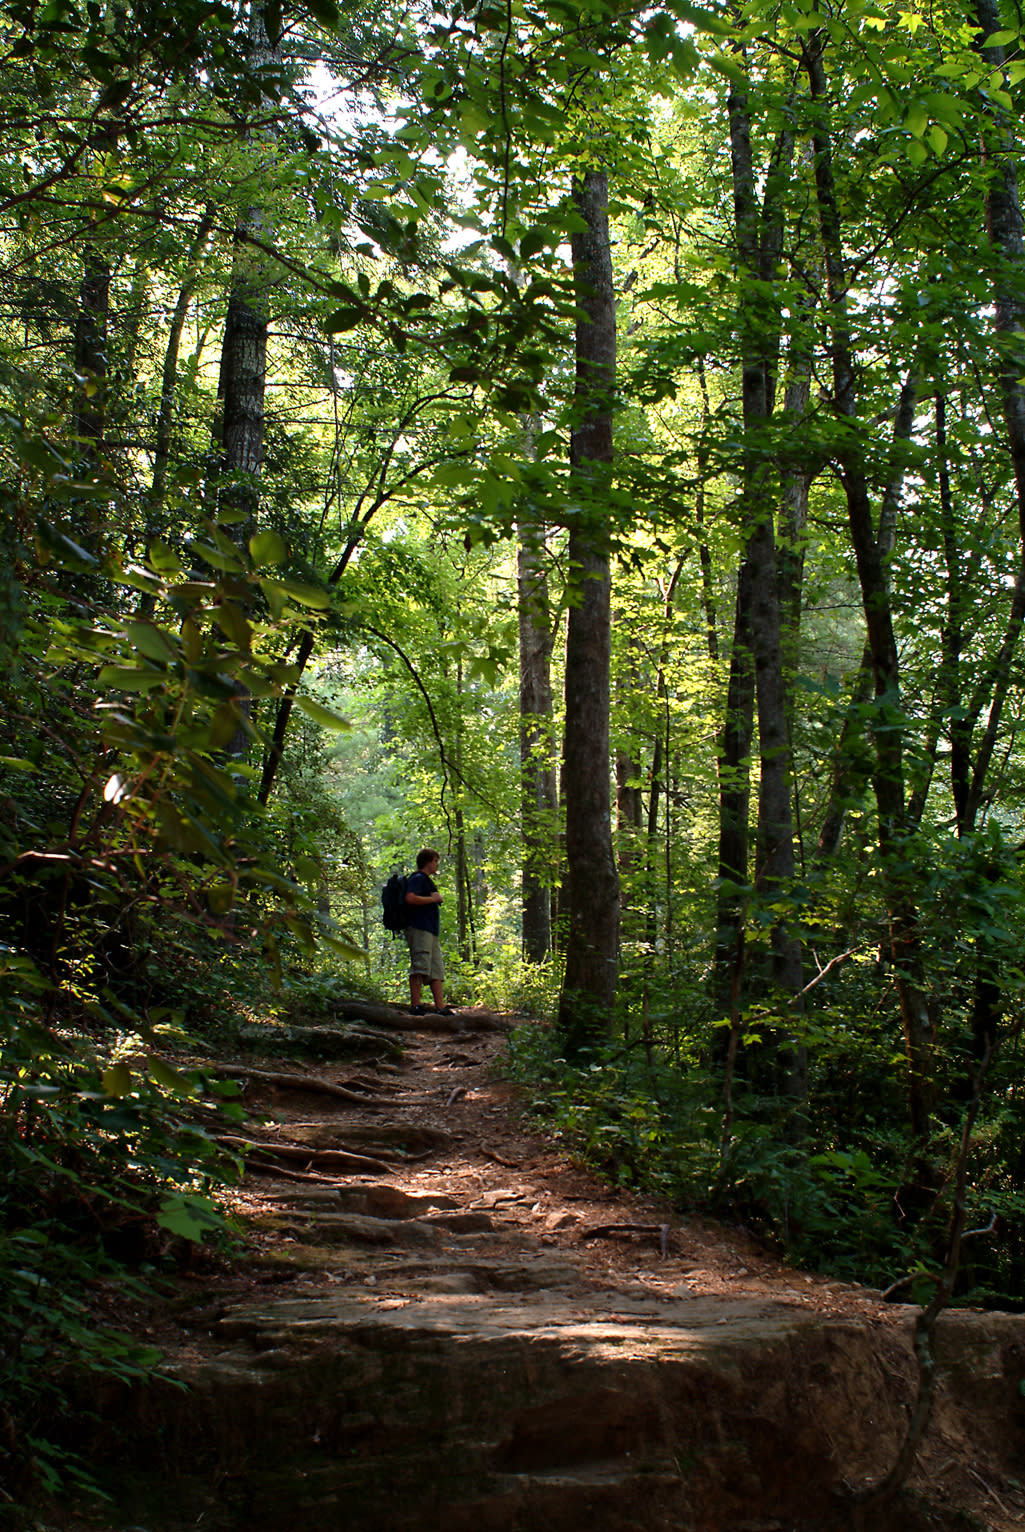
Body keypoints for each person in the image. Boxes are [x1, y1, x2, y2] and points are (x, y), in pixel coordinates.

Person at [404, 847, 455, 1016]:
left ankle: (440, 1007)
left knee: (436, 969)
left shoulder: (426, 880)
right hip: (419, 928)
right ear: (427, 862)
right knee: (420, 965)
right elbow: (410, 898)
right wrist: (432, 899)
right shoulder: (418, 878)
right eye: (435, 861)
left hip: (430, 930)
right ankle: (415, 1005)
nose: (436, 865)